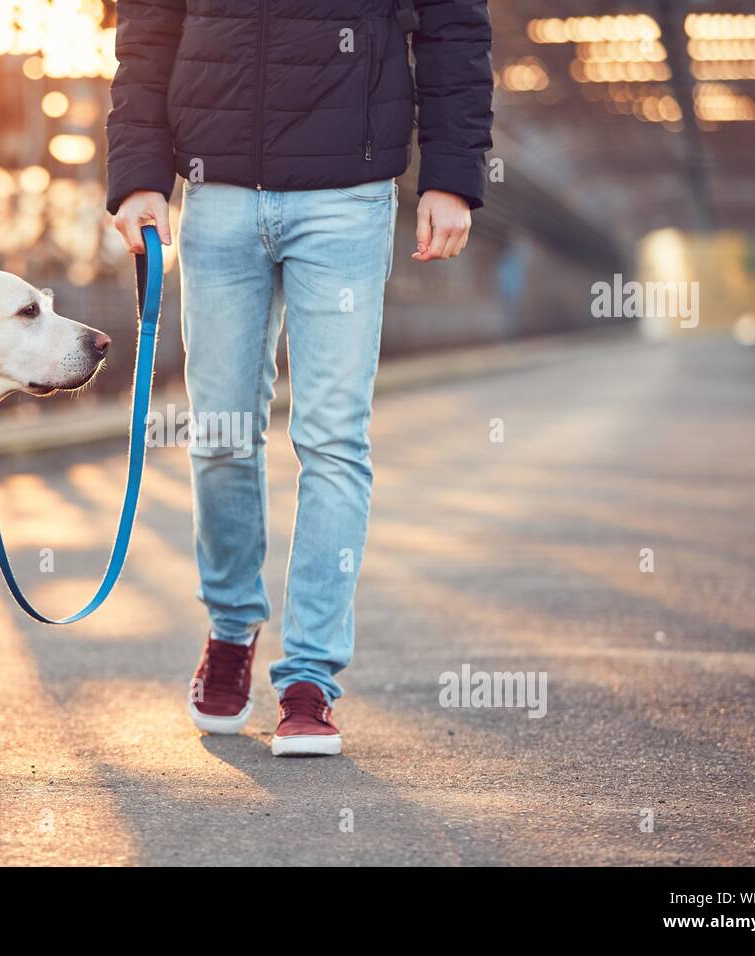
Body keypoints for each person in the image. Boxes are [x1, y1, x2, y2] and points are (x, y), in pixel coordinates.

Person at [106, 0, 493, 756]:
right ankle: (229, 631)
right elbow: (148, 27)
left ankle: (310, 677)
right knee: (219, 434)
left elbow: (453, 26)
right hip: (215, 196)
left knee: (333, 438)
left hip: (348, 197)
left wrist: (452, 174)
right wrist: (137, 176)